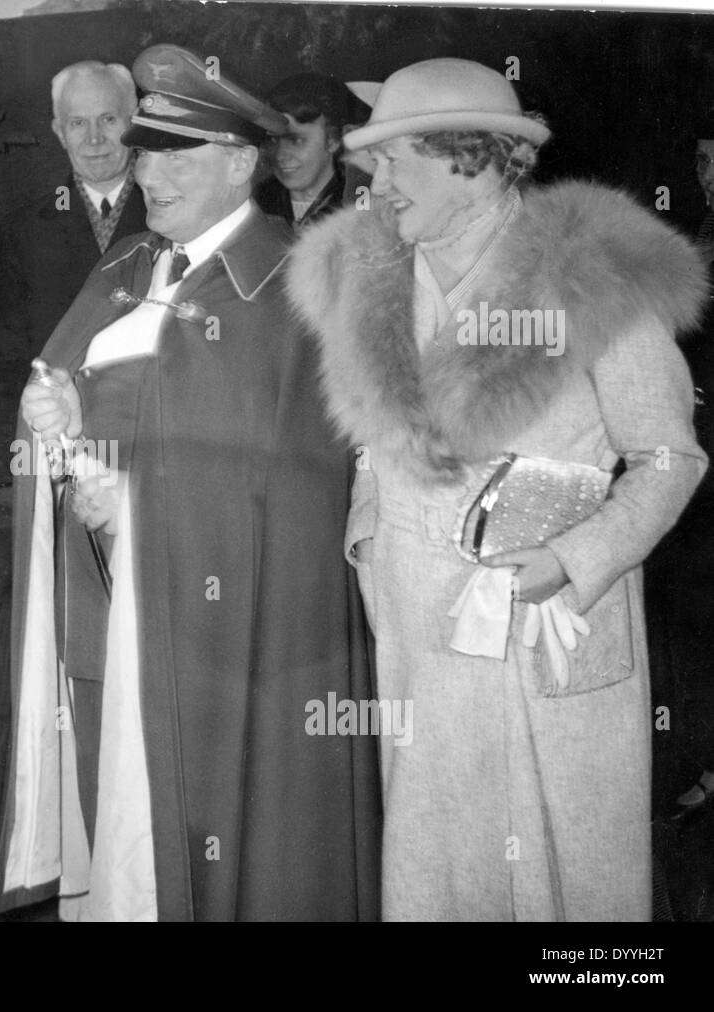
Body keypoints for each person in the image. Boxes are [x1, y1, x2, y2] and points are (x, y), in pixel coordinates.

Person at [287, 58, 709, 920]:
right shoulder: (371, 279)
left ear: (473, 160)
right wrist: (374, 540)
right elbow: (377, 447)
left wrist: (570, 558)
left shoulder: (594, 280)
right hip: (420, 641)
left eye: (400, 158)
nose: (377, 180)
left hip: (547, 633)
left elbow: (671, 458)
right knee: (438, 870)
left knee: (568, 886)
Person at [0, 44, 379, 921]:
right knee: (126, 833)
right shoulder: (125, 264)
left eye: (176, 153)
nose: (147, 171)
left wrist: (136, 503)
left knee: (227, 844)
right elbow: (61, 390)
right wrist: (63, 423)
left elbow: (303, 491)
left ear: (241, 162)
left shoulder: (297, 285)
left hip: (229, 644)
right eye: (145, 150)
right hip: (111, 605)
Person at [0, 61, 147, 465]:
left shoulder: (171, 217)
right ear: (59, 133)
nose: (95, 138)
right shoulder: (25, 230)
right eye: (78, 123)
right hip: (54, 453)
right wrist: (35, 445)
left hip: (152, 452)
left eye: (108, 119)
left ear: (135, 122)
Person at [647, 120, 714, 825]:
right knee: (689, 618)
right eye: (700, 161)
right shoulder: (689, 233)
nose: (709, 176)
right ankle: (698, 759)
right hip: (695, 453)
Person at [255, 72, 371, 228]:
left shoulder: (358, 201)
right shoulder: (254, 201)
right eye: (273, 140)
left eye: (296, 140)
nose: (280, 155)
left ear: (332, 140)